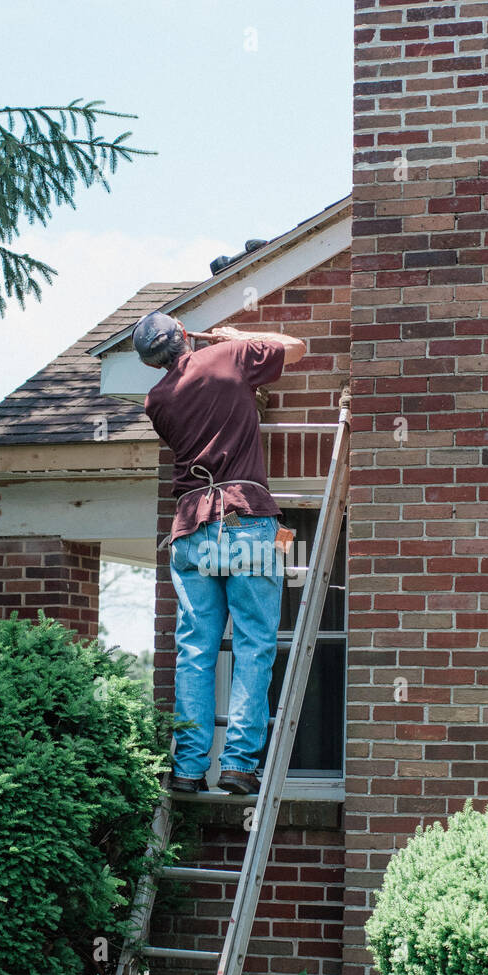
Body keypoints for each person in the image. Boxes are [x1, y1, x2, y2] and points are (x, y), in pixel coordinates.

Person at [134, 311, 306, 794]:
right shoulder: (229, 356)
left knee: (194, 651)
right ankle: (238, 765)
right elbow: (295, 346)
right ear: (185, 334)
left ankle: (188, 769)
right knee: (253, 644)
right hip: (245, 519)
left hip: (191, 529)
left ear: (152, 363)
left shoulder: (156, 400)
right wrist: (241, 336)